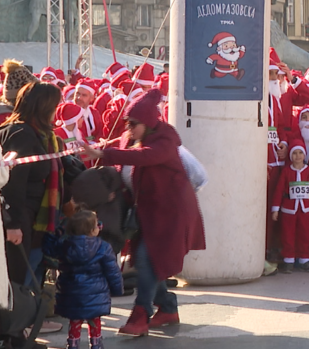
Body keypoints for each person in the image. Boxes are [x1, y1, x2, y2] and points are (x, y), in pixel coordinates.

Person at [81, 89, 205, 337]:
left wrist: (105, 153)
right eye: (127, 122)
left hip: (171, 215)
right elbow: (127, 169)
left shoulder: (165, 141)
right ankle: (168, 307)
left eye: (134, 123)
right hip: (149, 215)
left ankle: (140, 315)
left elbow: (146, 157)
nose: (129, 128)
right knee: (145, 261)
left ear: (148, 123)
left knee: (148, 260)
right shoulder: (130, 138)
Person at [1, 81, 64, 293]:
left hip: (30, 215)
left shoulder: (31, 132)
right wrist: (13, 224)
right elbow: (13, 184)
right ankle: (15, 323)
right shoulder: (23, 135)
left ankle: (25, 319)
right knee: (16, 277)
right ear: (44, 107)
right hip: (20, 216)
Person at [45, 210, 123, 349]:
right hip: (95, 293)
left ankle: (73, 344)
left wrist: (54, 233)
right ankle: (96, 344)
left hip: (71, 292)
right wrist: (117, 289)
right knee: (94, 321)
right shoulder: (103, 247)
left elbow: (48, 250)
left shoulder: (65, 246)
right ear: (93, 230)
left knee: (75, 320)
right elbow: (113, 271)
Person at [270, 141, 309, 273]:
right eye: (294, 153)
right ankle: (289, 260)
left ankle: (304, 259)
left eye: (300, 153)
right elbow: (279, 191)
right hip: (288, 209)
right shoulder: (286, 172)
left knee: (305, 234)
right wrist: (275, 209)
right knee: (288, 235)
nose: (297, 156)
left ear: (304, 155)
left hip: (306, 210)